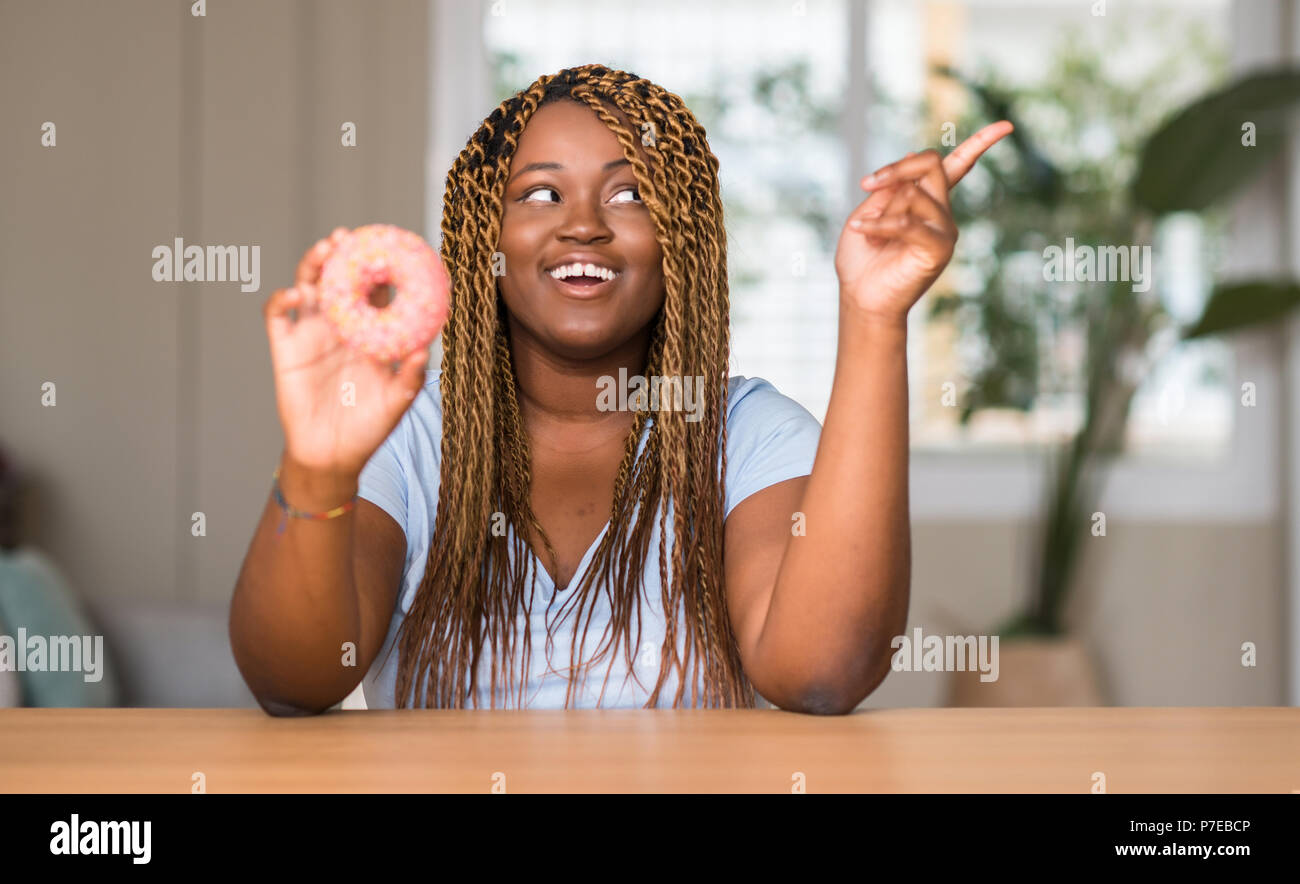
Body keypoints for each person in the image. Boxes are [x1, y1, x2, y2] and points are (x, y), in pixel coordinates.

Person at [229, 63, 1011, 714]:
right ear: (484, 240)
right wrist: (319, 466)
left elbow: (820, 673)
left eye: (630, 195)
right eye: (540, 194)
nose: (584, 226)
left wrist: (874, 317)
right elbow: (293, 684)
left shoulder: (749, 434)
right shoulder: (407, 437)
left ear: (684, 240)